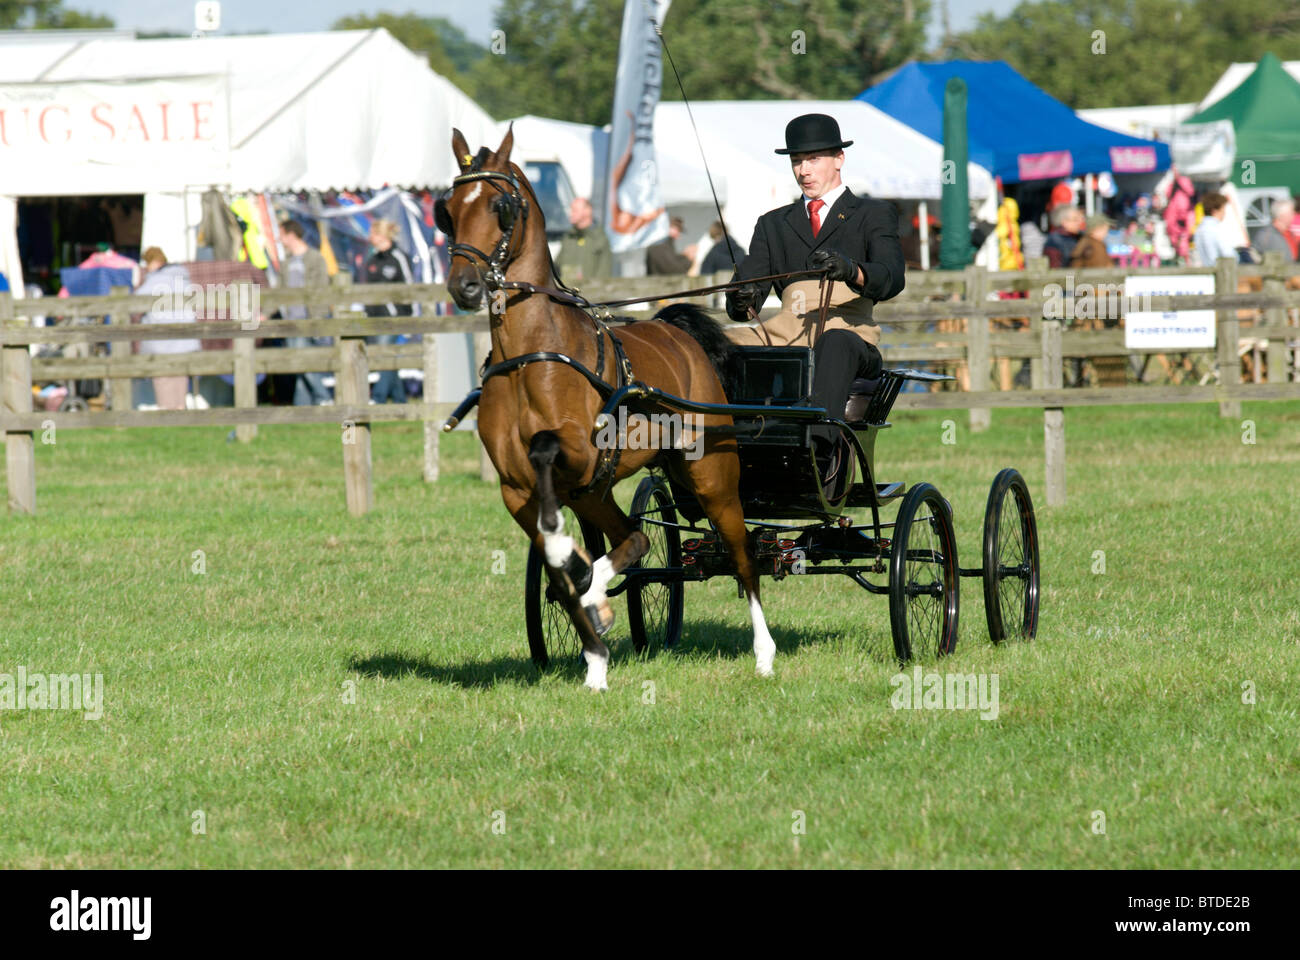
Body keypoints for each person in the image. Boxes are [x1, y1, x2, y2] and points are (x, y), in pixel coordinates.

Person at [725, 113, 905, 482]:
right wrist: (741, 296)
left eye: (814, 159)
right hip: (785, 329)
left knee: (834, 343)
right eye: (797, 161)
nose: (804, 170)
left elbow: (892, 277)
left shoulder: (872, 214)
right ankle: (713, 447)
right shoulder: (773, 224)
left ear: (839, 158)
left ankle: (819, 454)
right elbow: (745, 306)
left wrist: (852, 271)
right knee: (715, 340)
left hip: (852, 333)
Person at [133, 247, 201, 411]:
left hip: (161, 338)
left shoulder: (155, 280)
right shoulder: (183, 277)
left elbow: (134, 303)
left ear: (154, 262)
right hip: (185, 337)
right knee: (180, 374)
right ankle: (179, 407)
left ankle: (166, 410)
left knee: (162, 376)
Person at [280, 220, 332, 405]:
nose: (281, 239)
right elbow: (280, 291)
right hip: (291, 320)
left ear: (291, 235)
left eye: (282, 235)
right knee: (298, 363)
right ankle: (302, 404)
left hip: (307, 319)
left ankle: (324, 397)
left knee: (304, 362)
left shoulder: (314, 258)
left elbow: (322, 288)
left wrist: (318, 317)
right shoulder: (286, 262)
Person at [362, 218, 414, 403]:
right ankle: (400, 399)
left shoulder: (399, 257)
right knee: (387, 357)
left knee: (384, 354)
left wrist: (408, 317)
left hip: (394, 317)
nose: (370, 237)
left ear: (382, 235)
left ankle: (378, 397)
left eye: (373, 233)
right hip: (375, 317)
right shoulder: (372, 260)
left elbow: (409, 287)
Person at [554, 197, 611, 285]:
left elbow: (604, 275)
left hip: (590, 295)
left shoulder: (600, 239)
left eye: (575, 210)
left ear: (587, 211)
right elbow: (556, 268)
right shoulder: (569, 237)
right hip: (565, 294)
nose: (571, 214)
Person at [1191, 192, 1233, 267]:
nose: (1224, 213)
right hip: (1221, 273)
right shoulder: (1216, 229)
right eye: (1223, 210)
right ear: (1215, 211)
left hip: (1205, 274)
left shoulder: (1198, 230)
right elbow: (1228, 254)